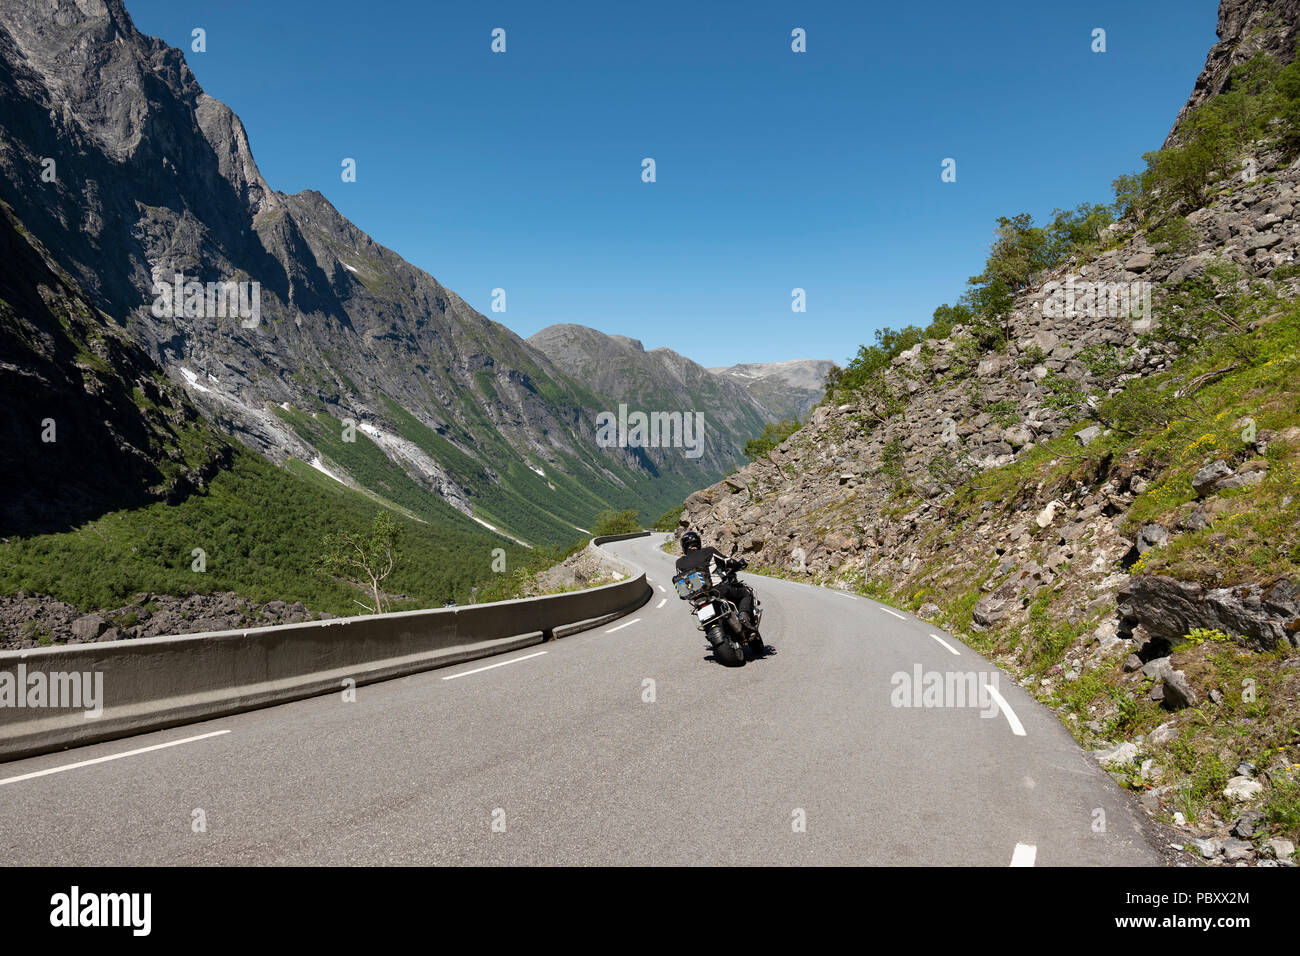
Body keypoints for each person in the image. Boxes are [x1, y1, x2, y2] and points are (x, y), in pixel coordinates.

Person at [675, 530, 756, 629]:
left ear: (684, 547)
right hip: (717, 590)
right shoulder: (708, 552)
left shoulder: (679, 563)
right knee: (746, 592)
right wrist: (737, 564)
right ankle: (744, 616)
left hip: (698, 599)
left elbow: (681, 580)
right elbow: (727, 562)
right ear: (698, 543)